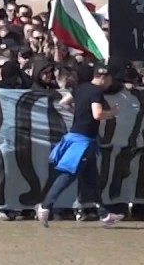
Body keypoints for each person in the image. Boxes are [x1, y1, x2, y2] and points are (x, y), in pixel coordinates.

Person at [36, 65, 125, 228]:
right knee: (69, 174)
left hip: (80, 138)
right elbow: (97, 114)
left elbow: (64, 103)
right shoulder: (96, 92)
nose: (110, 83)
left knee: (91, 180)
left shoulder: (81, 88)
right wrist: (111, 113)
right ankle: (45, 206)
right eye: (110, 79)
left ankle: (104, 215)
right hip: (82, 141)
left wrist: (78, 113)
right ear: (104, 77)